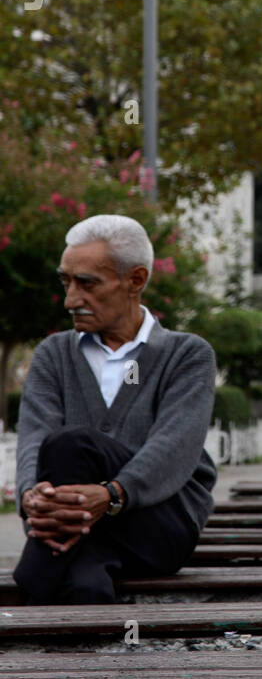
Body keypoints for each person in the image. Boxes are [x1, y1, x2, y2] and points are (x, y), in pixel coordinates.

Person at [13, 213, 217, 606]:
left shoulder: (187, 355)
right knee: (86, 583)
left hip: (160, 526)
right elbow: (33, 437)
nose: (71, 299)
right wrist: (30, 498)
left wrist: (112, 494)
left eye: (87, 284)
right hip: (76, 530)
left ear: (135, 281)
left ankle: (37, 570)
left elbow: (174, 446)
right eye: (66, 282)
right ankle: (81, 596)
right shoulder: (54, 355)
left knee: (72, 444)